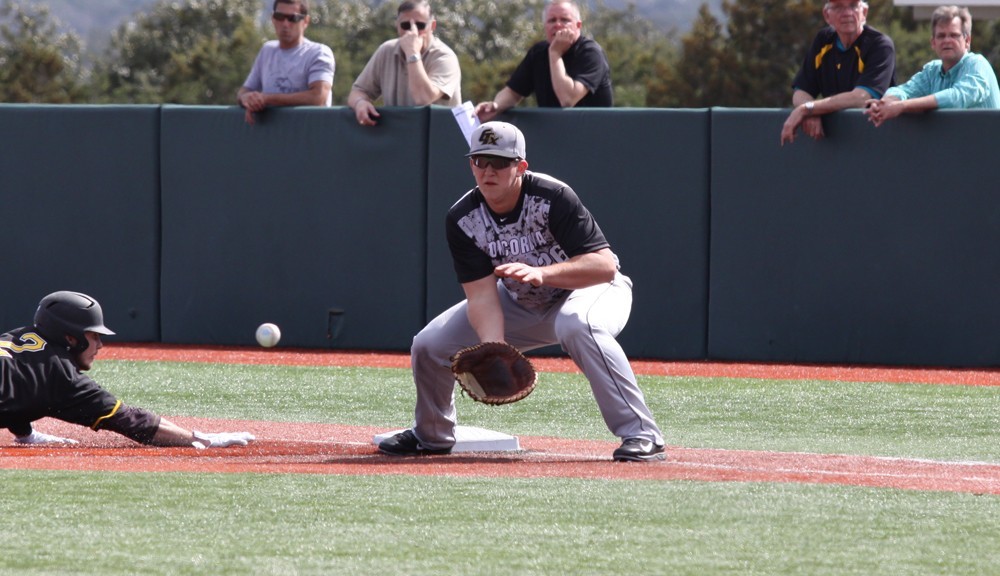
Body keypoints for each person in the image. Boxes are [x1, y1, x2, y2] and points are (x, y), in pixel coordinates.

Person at [378, 122, 665, 462]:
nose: (488, 171)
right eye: (480, 161)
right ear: (470, 164)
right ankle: (432, 434)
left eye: (499, 162)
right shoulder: (463, 218)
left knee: (577, 324)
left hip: (592, 291)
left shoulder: (552, 196)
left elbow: (604, 267)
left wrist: (543, 274)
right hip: (522, 302)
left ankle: (642, 434)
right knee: (429, 345)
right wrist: (495, 347)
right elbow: (482, 296)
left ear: (520, 166)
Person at [1, 291, 255, 448]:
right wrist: (201, 439)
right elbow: (132, 421)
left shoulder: (17, 337)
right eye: (93, 335)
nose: (100, 344)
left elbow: (19, 385)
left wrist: (27, 435)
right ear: (71, 338)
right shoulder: (61, 375)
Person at [780, 0, 896, 145]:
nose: (847, 13)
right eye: (838, 7)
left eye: (853, 6)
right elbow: (801, 92)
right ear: (827, 15)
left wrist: (808, 109)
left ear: (864, 13)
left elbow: (860, 98)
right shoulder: (823, 40)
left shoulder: (880, 45)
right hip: (834, 142)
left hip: (876, 139)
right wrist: (810, 110)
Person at [474, 1, 613, 122]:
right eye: (552, 20)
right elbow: (513, 92)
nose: (558, 25)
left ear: (578, 26)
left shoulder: (590, 53)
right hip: (552, 135)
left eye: (565, 20)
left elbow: (567, 99)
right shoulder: (538, 53)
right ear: (545, 26)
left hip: (592, 135)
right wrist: (496, 106)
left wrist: (555, 53)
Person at [864, 5, 1000, 127]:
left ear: (967, 40)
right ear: (933, 43)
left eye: (954, 35)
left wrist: (901, 106)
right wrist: (886, 103)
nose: (947, 40)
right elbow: (903, 90)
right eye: (941, 36)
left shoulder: (977, 64)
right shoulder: (932, 71)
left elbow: (957, 97)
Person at [347, 1, 461, 127]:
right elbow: (359, 90)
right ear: (397, 25)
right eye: (405, 25)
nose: (413, 31)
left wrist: (412, 53)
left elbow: (422, 98)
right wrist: (360, 103)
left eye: (420, 25)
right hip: (400, 135)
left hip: (439, 137)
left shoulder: (444, 57)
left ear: (432, 26)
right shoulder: (386, 50)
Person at [238, 0, 335, 126]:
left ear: (305, 21)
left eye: (292, 18)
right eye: (279, 17)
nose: (285, 24)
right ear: (273, 18)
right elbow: (244, 91)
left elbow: (318, 98)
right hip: (272, 136)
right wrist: (247, 99)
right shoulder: (267, 51)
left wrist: (266, 99)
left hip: (310, 136)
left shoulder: (319, 53)